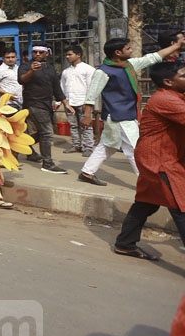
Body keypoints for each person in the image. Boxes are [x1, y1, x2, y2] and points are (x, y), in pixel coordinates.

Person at [79, 36, 185, 186]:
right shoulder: (103, 72)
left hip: (127, 113)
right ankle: (147, 183)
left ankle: (87, 172)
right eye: (128, 48)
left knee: (107, 146)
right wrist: (87, 115)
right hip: (118, 115)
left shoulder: (129, 66)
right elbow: (92, 94)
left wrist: (176, 46)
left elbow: (154, 57)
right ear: (118, 52)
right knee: (136, 149)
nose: (132, 50)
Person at [110, 62, 185, 260]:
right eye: (183, 75)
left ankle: (125, 243)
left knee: (147, 202)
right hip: (160, 161)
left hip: (158, 156)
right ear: (168, 82)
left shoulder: (174, 96)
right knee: (181, 205)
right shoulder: (167, 100)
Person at [18, 46, 72, 174]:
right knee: (47, 133)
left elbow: (56, 88)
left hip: (47, 104)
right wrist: (32, 71)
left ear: (46, 53)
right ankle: (47, 163)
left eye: (40, 52)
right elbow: (21, 80)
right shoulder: (25, 66)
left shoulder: (50, 68)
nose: (37, 54)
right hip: (33, 104)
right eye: (34, 52)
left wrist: (66, 103)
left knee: (42, 133)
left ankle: (22, 147)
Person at [60, 45, 95, 155]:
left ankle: (88, 147)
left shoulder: (88, 69)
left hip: (83, 102)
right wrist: (60, 102)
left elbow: (91, 87)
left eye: (70, 54)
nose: (67, 57)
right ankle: (76, 145)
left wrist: (88, 103)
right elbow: (62, 87)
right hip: (70, 102)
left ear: (78, 55)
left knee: (86, 124)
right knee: (73, 125)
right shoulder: (66, 71)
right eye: (66, 54)